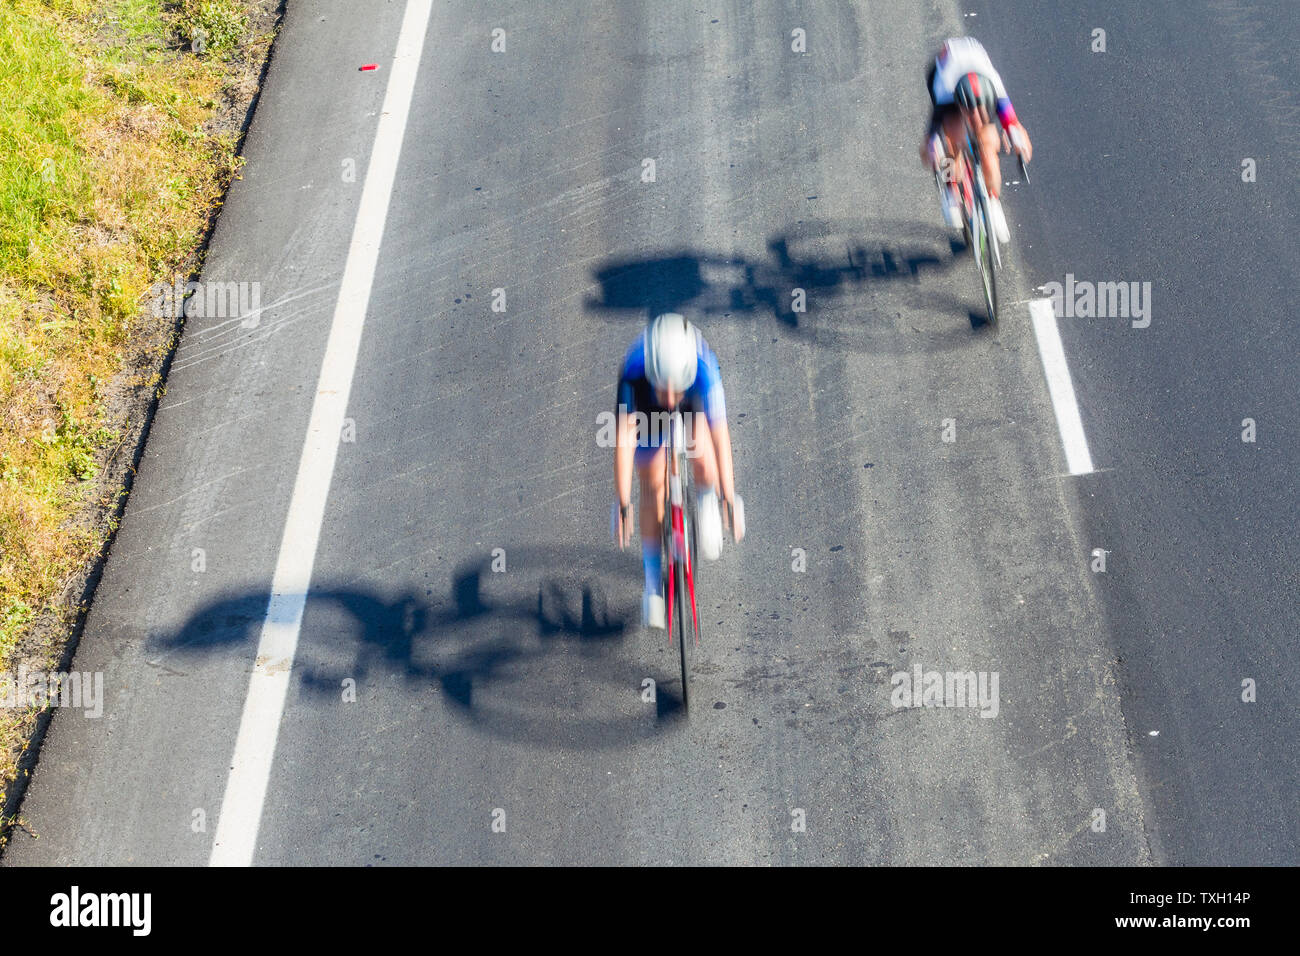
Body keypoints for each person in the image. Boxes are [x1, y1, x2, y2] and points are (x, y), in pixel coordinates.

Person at [612, 313, 744, 628]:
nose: (670, 400)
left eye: (676, 391)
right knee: (651, 478)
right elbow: (624, 441)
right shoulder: (633, 371)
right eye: (664, 390)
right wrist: (623, 503)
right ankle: (653, 586)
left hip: (693, 403)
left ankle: (705, 497)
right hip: (646, 407)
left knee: (703, 452)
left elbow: (720, 434)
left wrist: (727, 496)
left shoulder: (703, 369)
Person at [919, 37, 1032, 243]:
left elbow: (1015, 126)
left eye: (980, 113)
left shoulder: (996, 88)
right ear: (961, 106)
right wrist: (932, 149)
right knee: (953, 140)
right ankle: (951, 188)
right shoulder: (945, 91)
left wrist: (1018, 142)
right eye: (970, 114)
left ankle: (993, 201)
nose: (976, 119)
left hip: (977, 75)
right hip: (945, 73)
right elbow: (929, 140)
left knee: (988, 142)